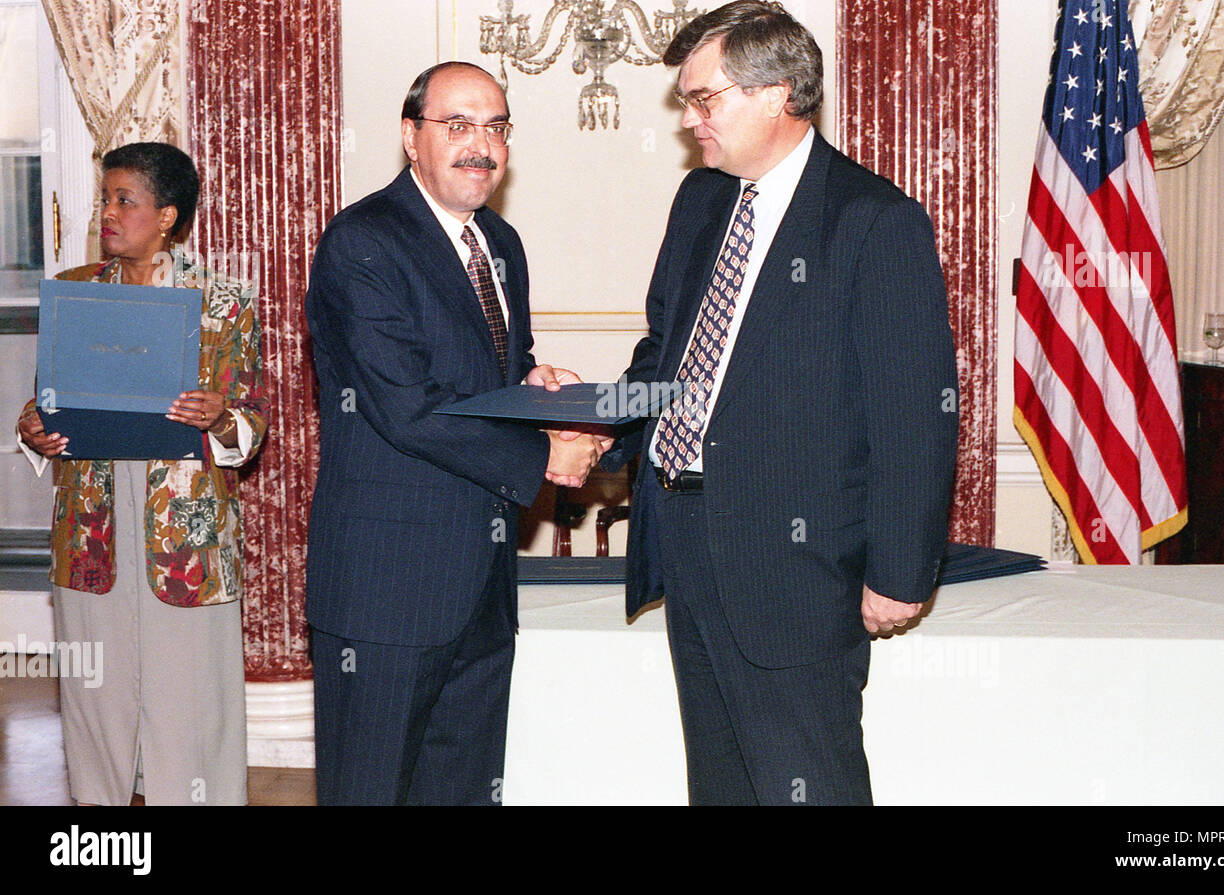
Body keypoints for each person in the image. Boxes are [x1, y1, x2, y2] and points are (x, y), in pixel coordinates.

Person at [603, 1, 959, 805]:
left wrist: (901, 572)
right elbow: (666, 358)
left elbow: (917, 414)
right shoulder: (701, 202)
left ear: (775, 94)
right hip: (689, 544)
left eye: (704, 99)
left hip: (799, 570)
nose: (689, 120)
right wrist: (592, 415)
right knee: (722, 786)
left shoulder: (874, 222)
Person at [304, 61, 605, 806]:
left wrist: (530, 391)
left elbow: (484, 379)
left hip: (480, 580)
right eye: (458, 125)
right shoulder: (363, 242)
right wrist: (544, 453)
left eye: (496, 127)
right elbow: (406, 405)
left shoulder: (498, 242)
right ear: (411, 137)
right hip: (387, 589)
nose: (482, 146)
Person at [16, 141, 268, 806]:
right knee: (95, 702)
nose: (107, 212)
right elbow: (47, 408)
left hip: (188, 538)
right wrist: (33, 430)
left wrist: (219, 418)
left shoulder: (224, 302)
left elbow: (252, 425)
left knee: (191, 704)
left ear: (167, 216)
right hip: (92, 527)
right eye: (105, 197)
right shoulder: (71, 293)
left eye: (124, 199)